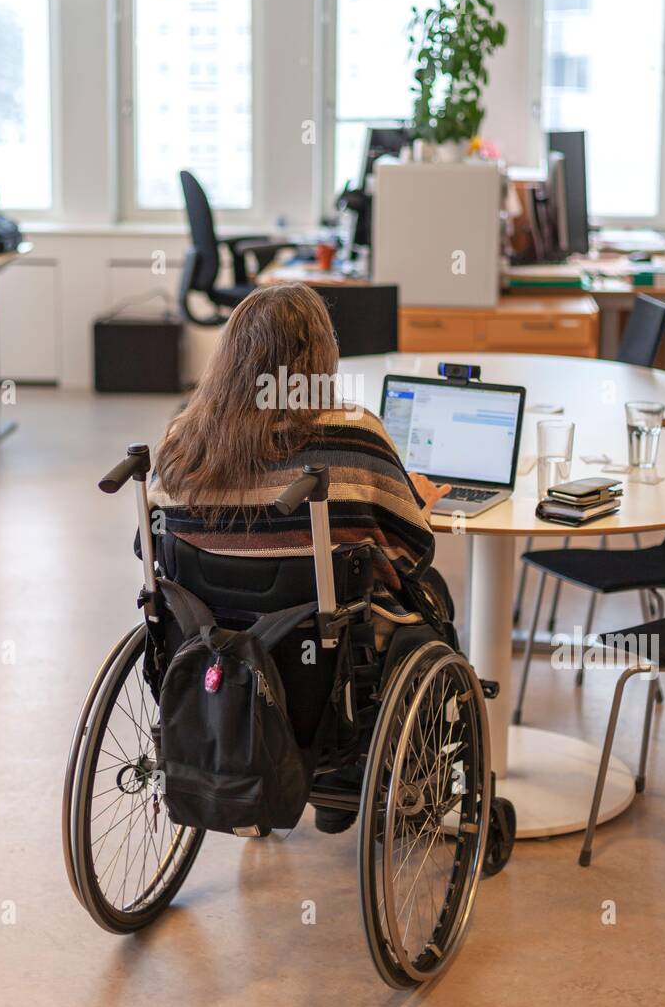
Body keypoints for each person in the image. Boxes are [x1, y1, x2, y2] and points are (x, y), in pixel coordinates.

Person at [150, 282, 455, 831]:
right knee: (435, 604)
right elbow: (411, 553)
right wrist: (420, 504)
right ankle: (377, 778)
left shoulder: (182, 437)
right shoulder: (353, 434)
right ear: (323, 356)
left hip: (208, 643)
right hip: (323, 657)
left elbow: (154, 549)